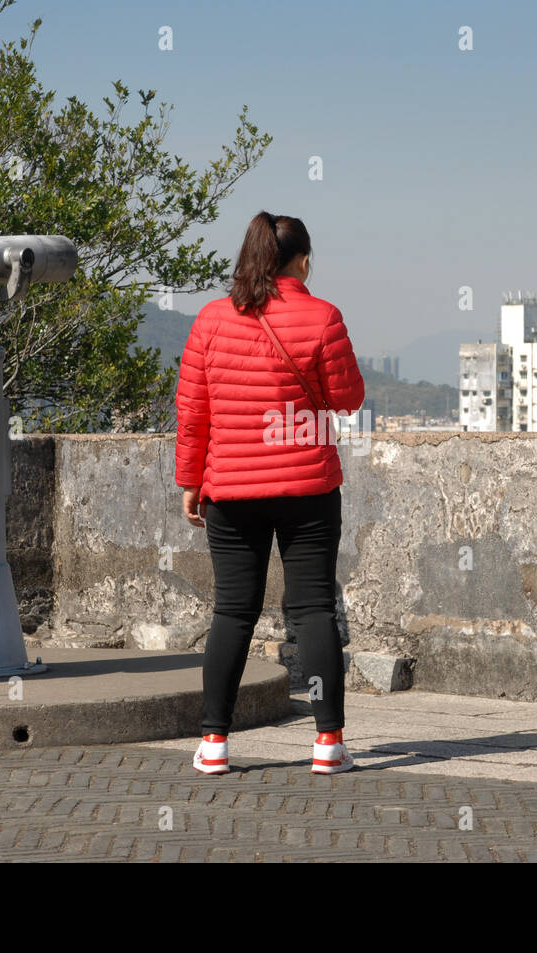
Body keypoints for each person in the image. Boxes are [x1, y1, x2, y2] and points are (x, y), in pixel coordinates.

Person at [175, 211, 365, 775]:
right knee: (312, 609)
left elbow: (192, 413)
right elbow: (349, 397)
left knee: (232, 611)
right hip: (307, 484)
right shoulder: (323, 316)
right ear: (302, 260)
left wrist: (191, 480)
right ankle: (327, 742)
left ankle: (214, 743)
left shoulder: (211, 320)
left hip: (230, 488)